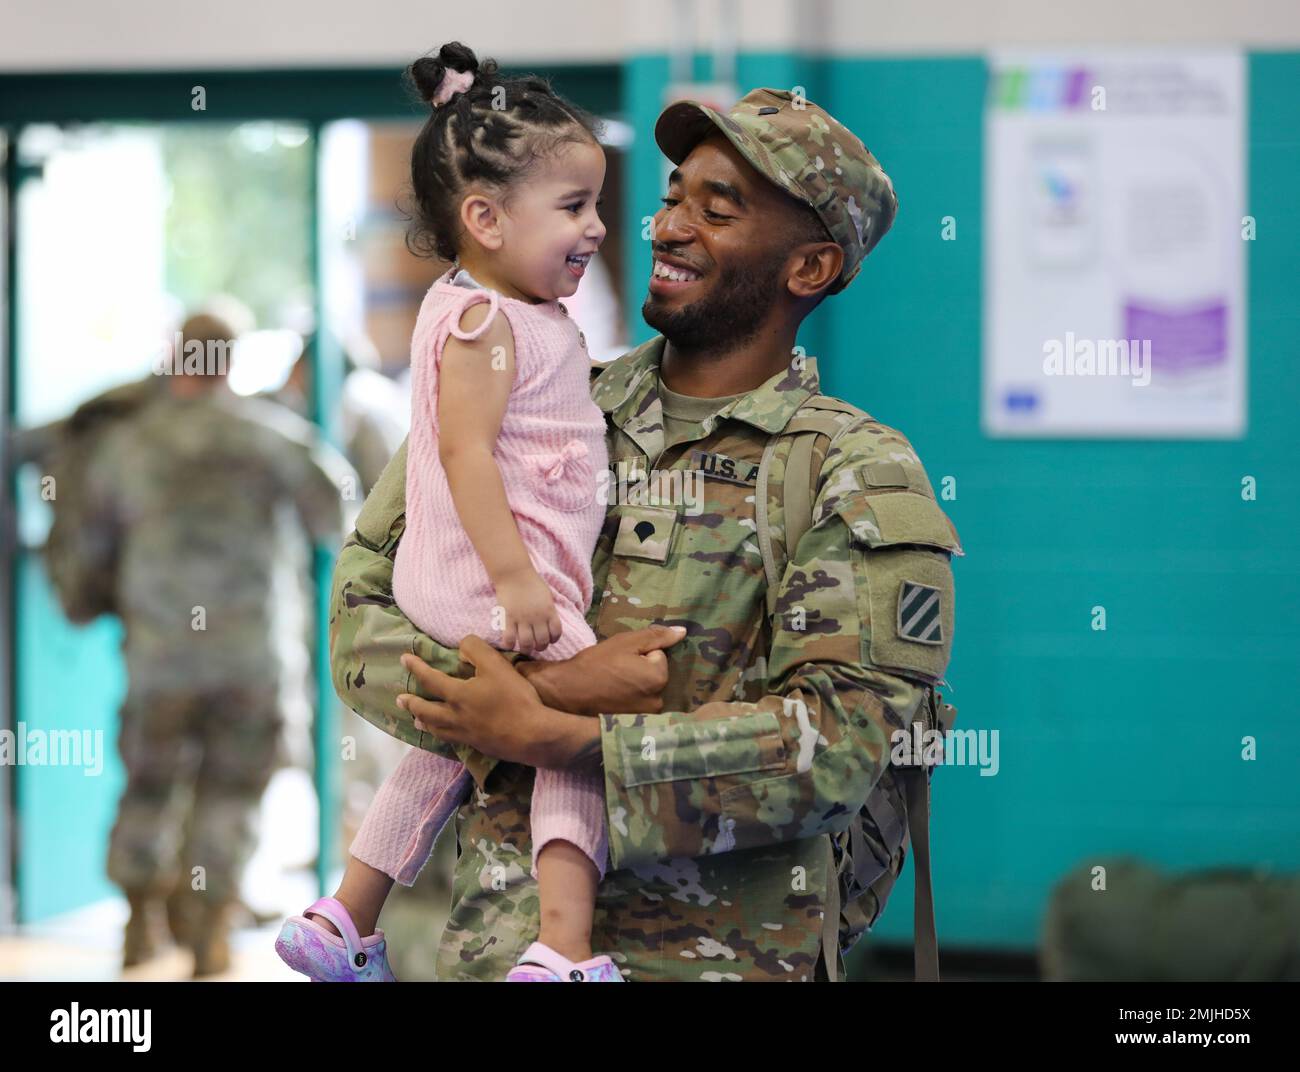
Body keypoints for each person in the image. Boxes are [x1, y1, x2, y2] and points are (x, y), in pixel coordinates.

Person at [330, 84, 961, 982]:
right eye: (671, 198)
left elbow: (838, 750)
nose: (666, 228)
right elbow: (362, 616)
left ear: (810, 269)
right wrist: (537, 691)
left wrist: (564, 739)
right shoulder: (527, 392)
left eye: (718, 210)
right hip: (497, 955)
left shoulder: (852, 471)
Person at [277, 41, 646, 984]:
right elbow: (463, 452)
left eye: (595, 202)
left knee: (445, 751)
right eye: (572, 207)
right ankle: (562, 947)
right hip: (492, 584)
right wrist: (519, 580)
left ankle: (344, 914)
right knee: (577, 742)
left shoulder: (476, 301)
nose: (598, 227)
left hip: (476, 582)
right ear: (484, 218)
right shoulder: (486, 323)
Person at [81, 308, 357, 976]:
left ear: (179, 356)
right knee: (233, 791)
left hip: (159, 658)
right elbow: (340, 516)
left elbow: (90, 548)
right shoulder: (273, 437)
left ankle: (141, 924)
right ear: (230, 362)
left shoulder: (127, 446)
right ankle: (209, 933)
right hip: (250, 657)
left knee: (149, 784)